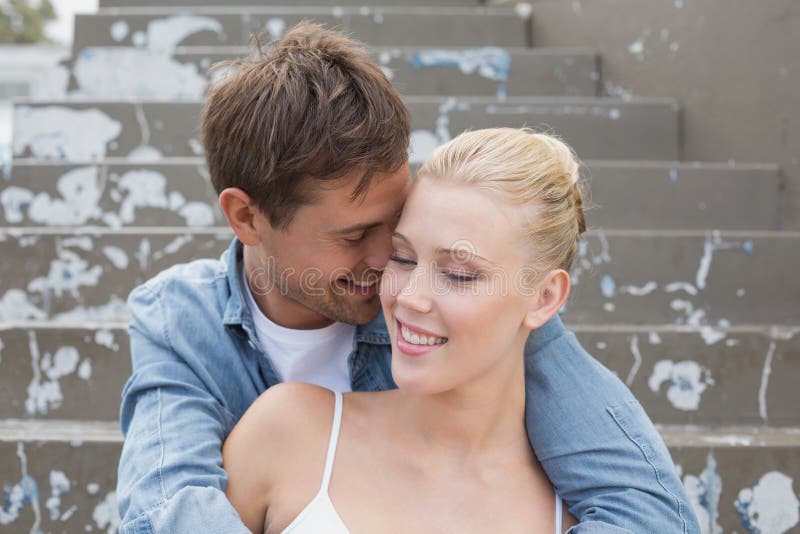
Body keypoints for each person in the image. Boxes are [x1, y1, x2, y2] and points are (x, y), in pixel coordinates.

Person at [116, 22, 698, 534]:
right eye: (353, 237)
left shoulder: (483, 323)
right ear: (247, 217)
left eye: (396, 227)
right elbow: (166, 512)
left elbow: (650, 513)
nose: (391, 268)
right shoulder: (181, 316)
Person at [223, 127, 588, 533]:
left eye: (458, 275)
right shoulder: (288, 431)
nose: (410, 297)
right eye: (403, 257)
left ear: (544, 297)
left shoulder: (580, 512)